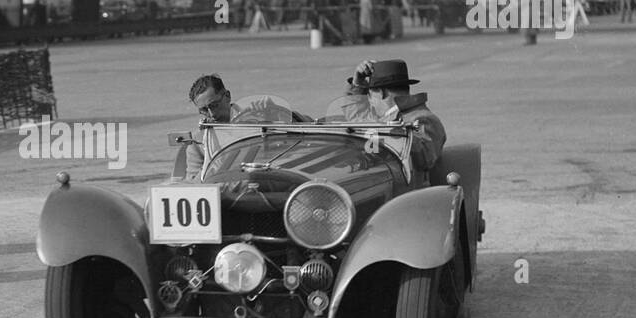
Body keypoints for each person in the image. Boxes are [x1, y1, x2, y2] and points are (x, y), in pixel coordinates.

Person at [183, 74, 311, 179]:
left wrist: (278, 113)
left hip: (269, 182)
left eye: (214, 105)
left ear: (227, 96)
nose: (211, 114)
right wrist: (214, 164)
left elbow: (308, 130)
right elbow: (192, 184)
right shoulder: (198, 140)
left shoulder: (259, 117)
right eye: (204, 110)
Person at [339, 59, 445, 185]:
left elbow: (424, 158)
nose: (369, 101)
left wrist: (388, 136)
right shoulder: (383, 118)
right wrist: (357, 84)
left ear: (381, 93)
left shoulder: (423, 119)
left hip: (406, 194)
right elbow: (356, 117)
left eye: (369, 95)